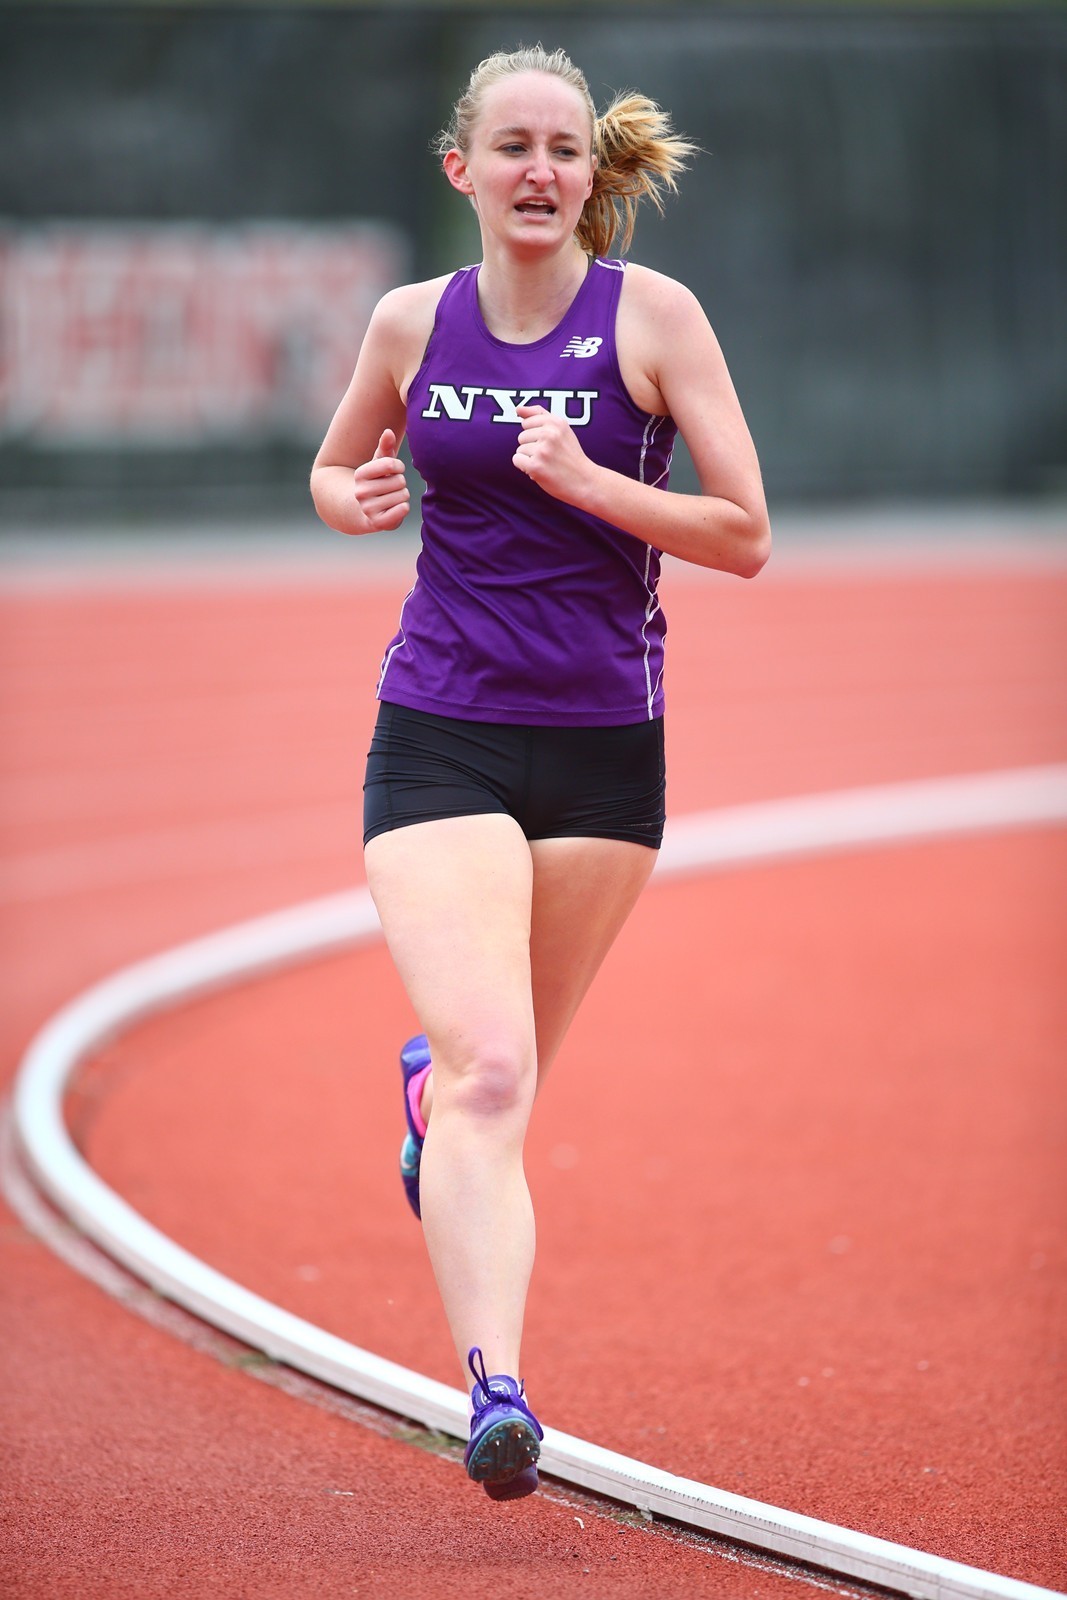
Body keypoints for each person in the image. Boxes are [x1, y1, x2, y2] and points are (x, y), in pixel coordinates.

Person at [310, 43, 770, 1501]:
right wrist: (354, 497)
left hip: (603, 762)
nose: (537, 172)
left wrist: (592, 483)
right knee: (493, 1071)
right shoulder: (408, 321)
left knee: (498, 1088)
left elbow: (744, 531)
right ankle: (497, 1391)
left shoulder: (655, 318)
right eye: (509, 147)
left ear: (592, 175)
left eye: (562, 150)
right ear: (462, 169)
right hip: (437, 730)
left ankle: (426, 1099)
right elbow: (331, 468)